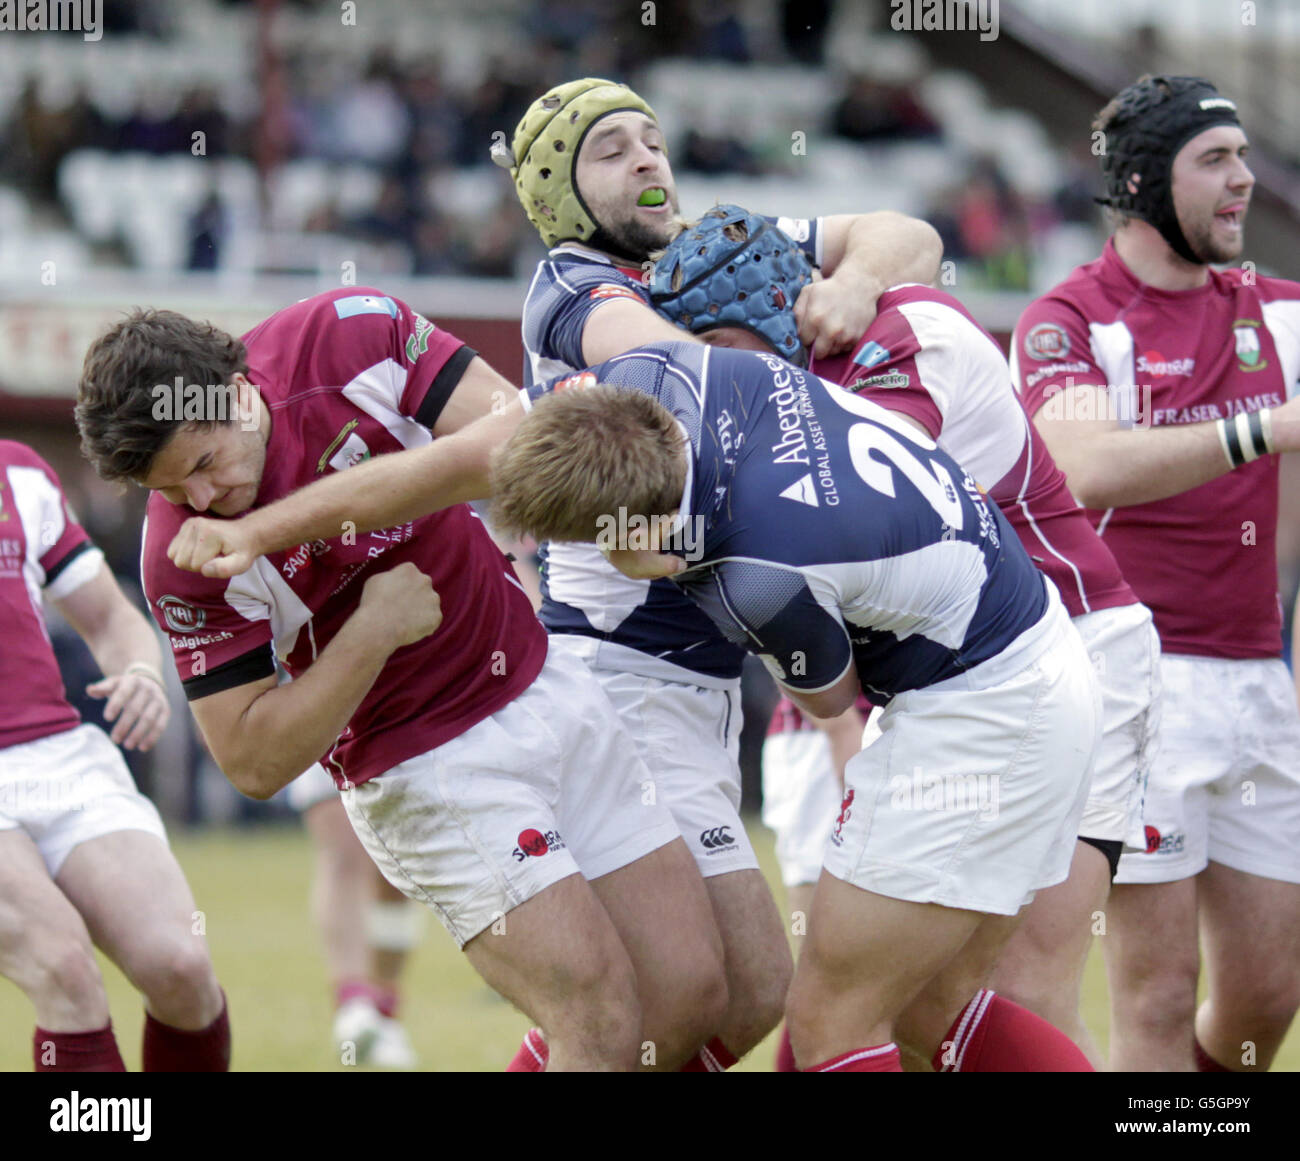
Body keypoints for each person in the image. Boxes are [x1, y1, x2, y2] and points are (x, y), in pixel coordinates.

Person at [164, 339, 1103, 1072]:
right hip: (1037, 662)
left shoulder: (754, 578)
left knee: (830, 1024)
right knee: (931, 1010)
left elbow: (834, 699)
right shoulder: (667, 376)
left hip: (982, 719)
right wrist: (255, 531)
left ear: (642, 534)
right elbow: (456, 464)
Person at [74, 289, 729, 1072]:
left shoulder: (349, 333)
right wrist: (370, 633)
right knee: (598, 1014)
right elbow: (251, 761)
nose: (203, 502)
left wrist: (280, 525)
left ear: (239, 386)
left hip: (542, 675)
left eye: (206, 465)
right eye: (175, 489)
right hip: (424, 763)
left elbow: (516, 433)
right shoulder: (179, 558)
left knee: (692, 993)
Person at [486, 75, 943, 1068]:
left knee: (738, 996)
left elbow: (907, 233)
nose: (647, 159)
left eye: (651, 140)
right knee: (692, 991)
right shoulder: (573, 284)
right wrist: (782, 344)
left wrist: (855, 284)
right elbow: (662, 355)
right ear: (561, 197)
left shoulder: (706, 247)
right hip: (616, 680)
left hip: (698, 686)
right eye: (609, 150)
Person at [648, 204, 1163, 1068]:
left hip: (1052, 650)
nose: (707, 388)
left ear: (775, 309)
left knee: (995, 989)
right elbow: (901, 232)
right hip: (972, 673)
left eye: (716, 355)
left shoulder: (878, 364)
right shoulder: (808, 345)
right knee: (901, 1003)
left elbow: (858, 531)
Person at [1011, 75, 1300, 1071]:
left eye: (1244, 158)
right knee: (1159, 992)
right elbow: (1085, 462)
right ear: (1140, 183)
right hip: (1137, 682)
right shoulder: (1067, 316)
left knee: (1269, 995)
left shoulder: (1277, 311)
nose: (1242, 182)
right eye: (1213, 160)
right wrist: (1265, 427)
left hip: (1258, 677)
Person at [0, 439, 229, 1072]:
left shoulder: (18, 472)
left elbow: (109, 618)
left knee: (180, 966)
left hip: (57, 756)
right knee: (64, 969)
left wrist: (140, 672)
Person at [286, 764, 422, 1068]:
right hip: (324, 723)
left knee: (395, 870)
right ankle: (353, 1003)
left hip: (398, 724)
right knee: (341, 854)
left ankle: (383, 1013)